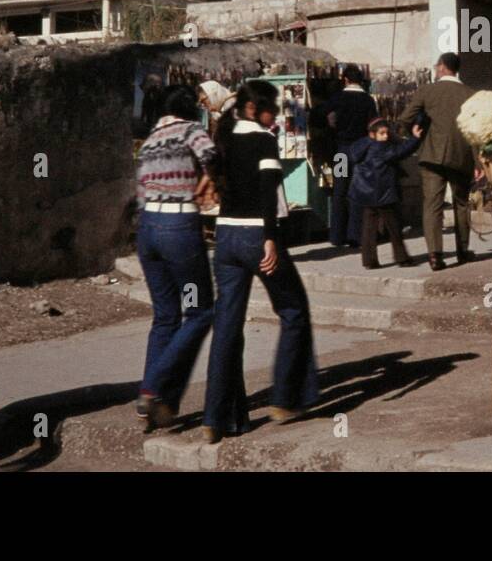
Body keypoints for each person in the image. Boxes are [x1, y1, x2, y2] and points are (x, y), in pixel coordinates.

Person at [204, 81, 318, 442]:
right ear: (256, 109)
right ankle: (285, 398)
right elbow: (269, 192)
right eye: (272, 109)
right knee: (294, 311)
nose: (276, 116)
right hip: (257, 235)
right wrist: (271, 237)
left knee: (226, 326)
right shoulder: (264, 140)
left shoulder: (222, 138)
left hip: (225, 238)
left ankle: (217, 417)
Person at [133, 84, 217, 430]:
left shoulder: (150, 140)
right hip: (177, 226)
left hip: (147, 228)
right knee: (200, 311)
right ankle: (153, 387)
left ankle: (157, 405)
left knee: (165, 317)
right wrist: (208, 179)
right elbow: (212, 154)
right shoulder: (190, 129)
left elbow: (140, 190)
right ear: (188, 108)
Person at [401, 52, 477, 271]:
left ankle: (435, 255)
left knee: (432, 206)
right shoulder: (470, 94)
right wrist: (478, 163)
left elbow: (405, 118)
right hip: (461, 157)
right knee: (461, 203)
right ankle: (463, 251)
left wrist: (412, 130)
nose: (436, 70)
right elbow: (475, 131)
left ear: (443, 67)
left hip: (431, 155)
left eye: (436, 67)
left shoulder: (427, 91)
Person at [348, 119, 424, 270]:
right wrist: (415, 138)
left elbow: (346, 160)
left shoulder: (359, 145)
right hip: (382, 193)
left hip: (365, 192)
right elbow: (400, 151)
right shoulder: (380, 148)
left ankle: (369, 260)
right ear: (373, 134)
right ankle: (402, 258)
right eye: (382, 133)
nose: (386, 137)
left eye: (387, 133)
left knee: (369, 228)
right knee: (394, 227)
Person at [324, 65, 377, 249]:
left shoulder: (337, 99)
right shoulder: (368, 100)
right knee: (358, 190)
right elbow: (373, 125)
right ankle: (356, 235)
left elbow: (324, 117)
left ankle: (337, 236)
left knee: (340, 190)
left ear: (345, 79)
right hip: (361, 151)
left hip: (341, 151)